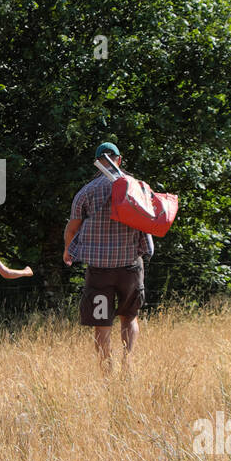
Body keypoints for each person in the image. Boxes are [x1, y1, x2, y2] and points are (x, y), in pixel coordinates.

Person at [63, 142, 153, 373]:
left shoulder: (86, 192)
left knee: (101, 324)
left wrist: (68, 251)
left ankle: (106, 370)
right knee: (129, 317)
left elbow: (72, 228)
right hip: (130, 267)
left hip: (99, 271)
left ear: (96, 163)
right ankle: (128, 363)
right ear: (119, 160)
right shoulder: (136, 187)